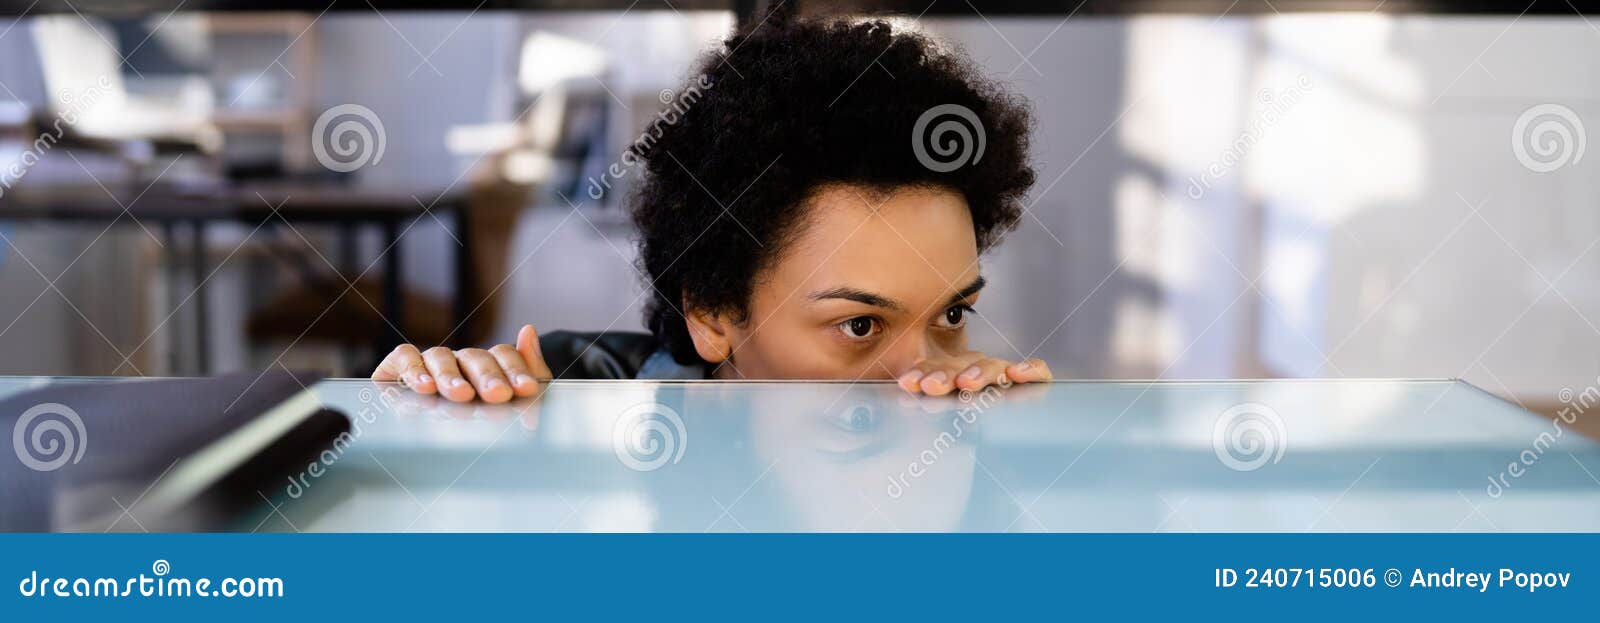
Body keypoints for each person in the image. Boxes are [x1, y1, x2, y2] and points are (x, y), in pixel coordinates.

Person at [372, 6, 1052, 402]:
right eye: (861, 326)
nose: (923, 374)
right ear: (713, 313)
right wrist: (430, 399)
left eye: (953, 314)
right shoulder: (576, 389)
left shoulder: (957, 440)